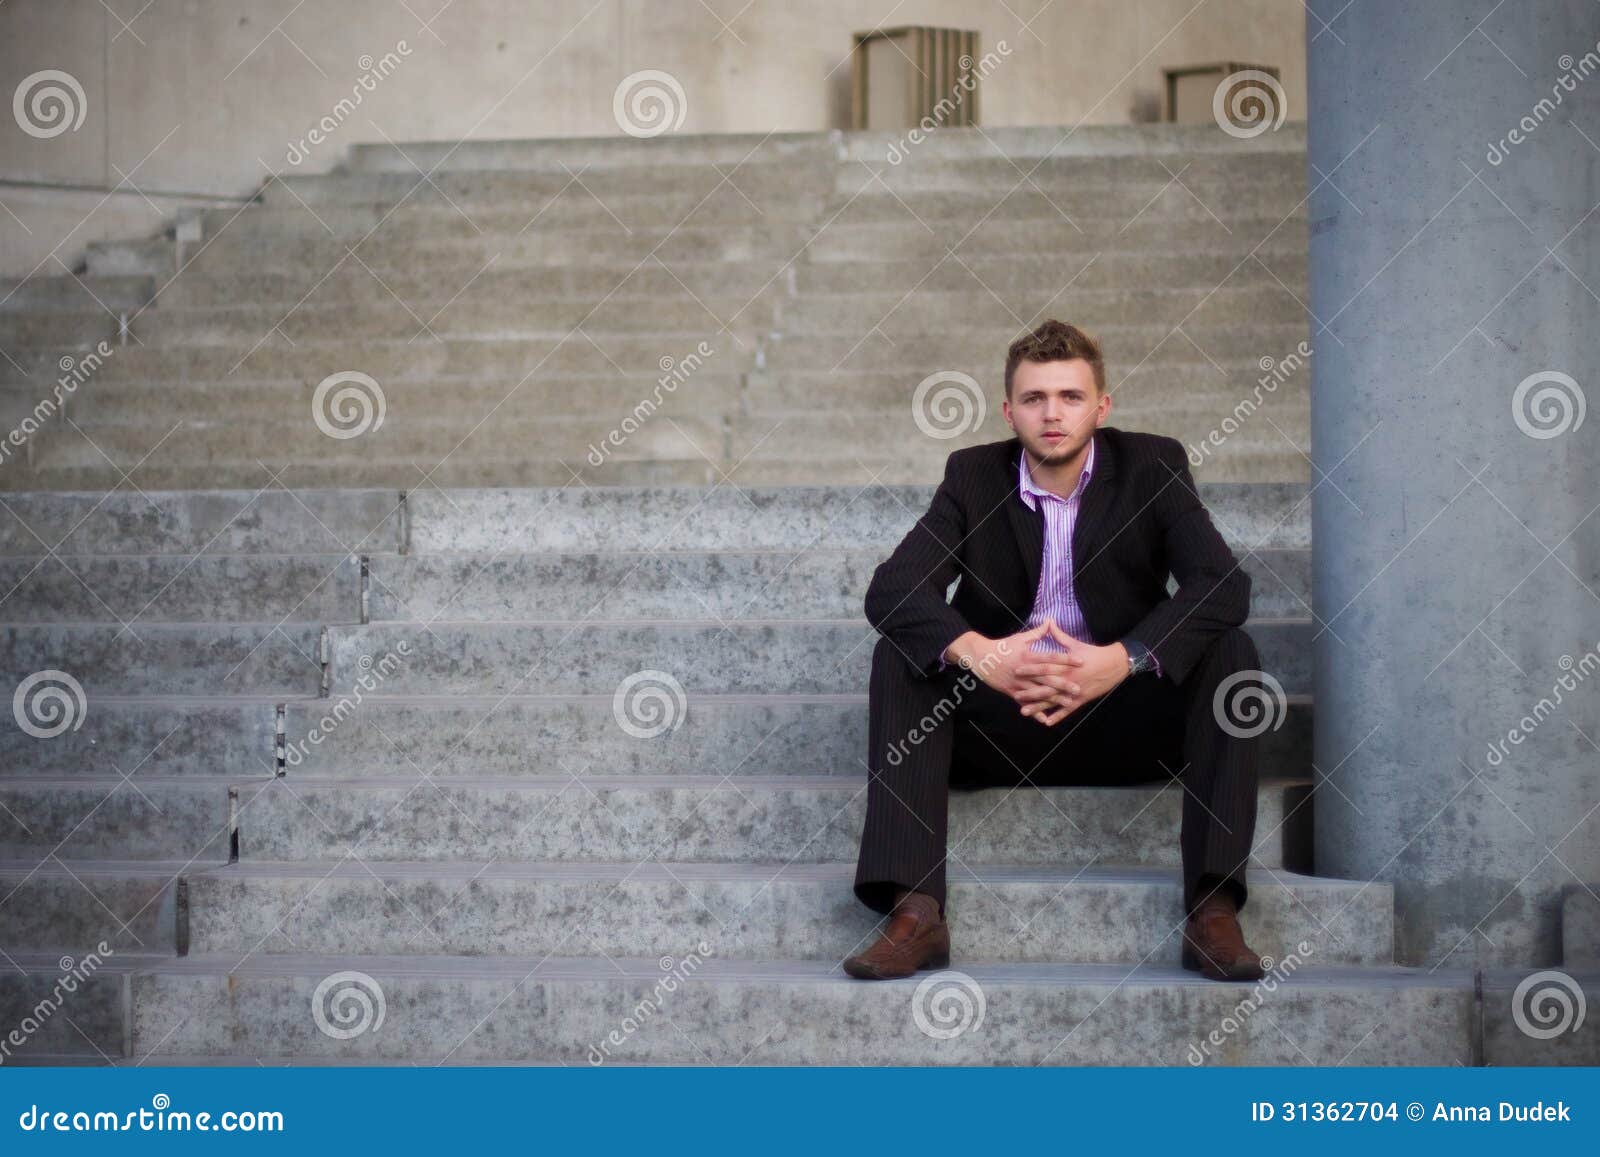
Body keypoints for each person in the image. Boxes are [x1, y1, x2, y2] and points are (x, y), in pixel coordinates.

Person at [845, 318, 1268, 982]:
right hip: (1002, 726)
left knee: (1231, 650)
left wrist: (1119, 659)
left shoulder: (1153, 466)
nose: (1052, 413)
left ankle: (1213, 911)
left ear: (1102, 407)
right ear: (1008, 409)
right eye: (1035, 398)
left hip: (1124, 719)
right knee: (904, 653)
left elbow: (1223, 585)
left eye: (1070, 396)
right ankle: (916, 912)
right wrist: (986, 657)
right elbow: (893, 590)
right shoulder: (974, 475)